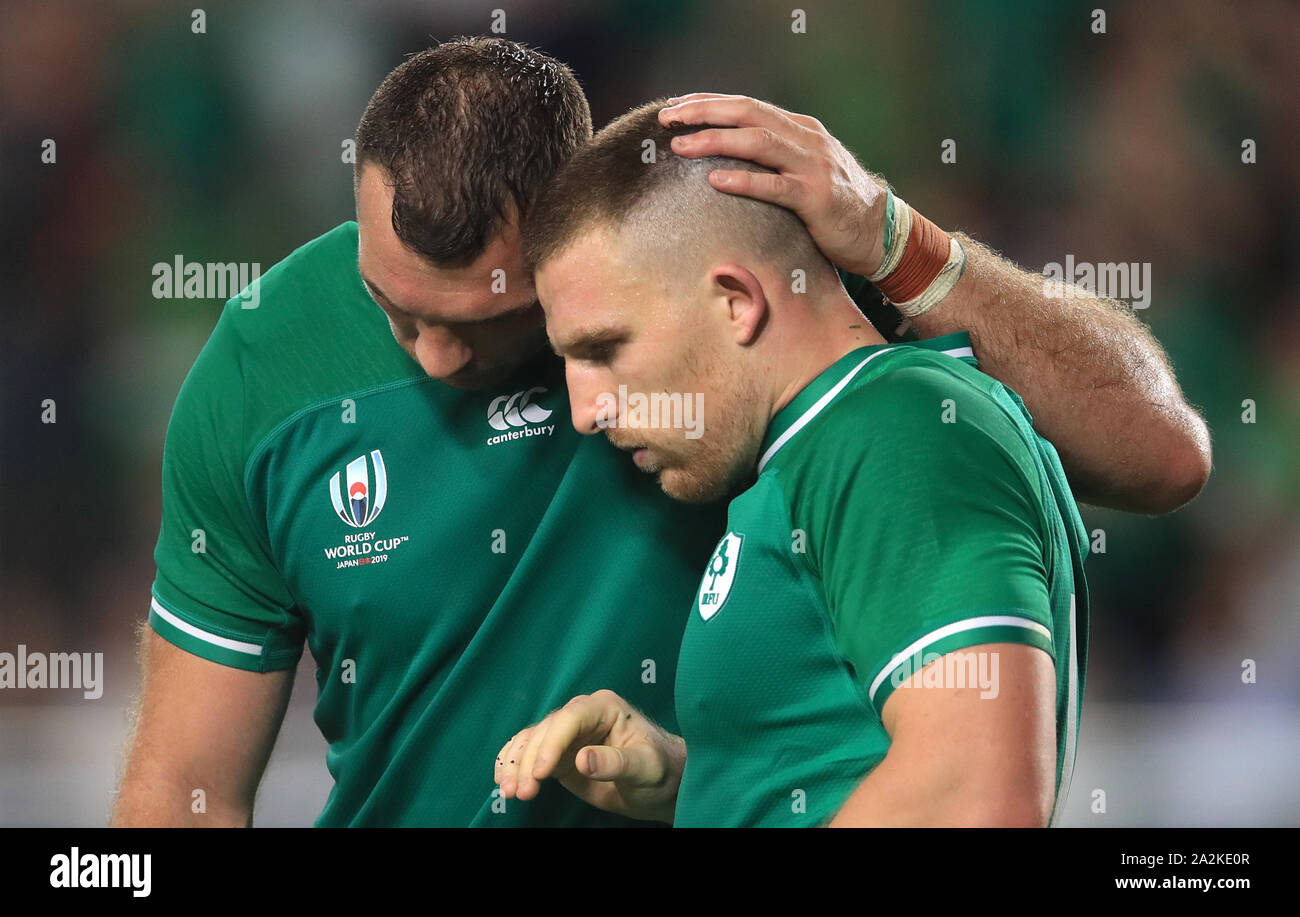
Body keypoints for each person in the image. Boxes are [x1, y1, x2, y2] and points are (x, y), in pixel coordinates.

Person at [113, 39, 1208, 827]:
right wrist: (692, 782)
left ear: (576, 234)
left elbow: (1161, 453)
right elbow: (179, 789)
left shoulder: (778, 305)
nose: (434, 359)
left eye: (485, 323)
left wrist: (896, 239)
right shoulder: (267, 364)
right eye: (393, 309)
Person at [497, 99, 1092, 826]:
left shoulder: (896, 432)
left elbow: (976, 800)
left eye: (603, 350)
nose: (587, 409)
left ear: (736, 301)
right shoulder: (819, 448)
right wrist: (708, 780)